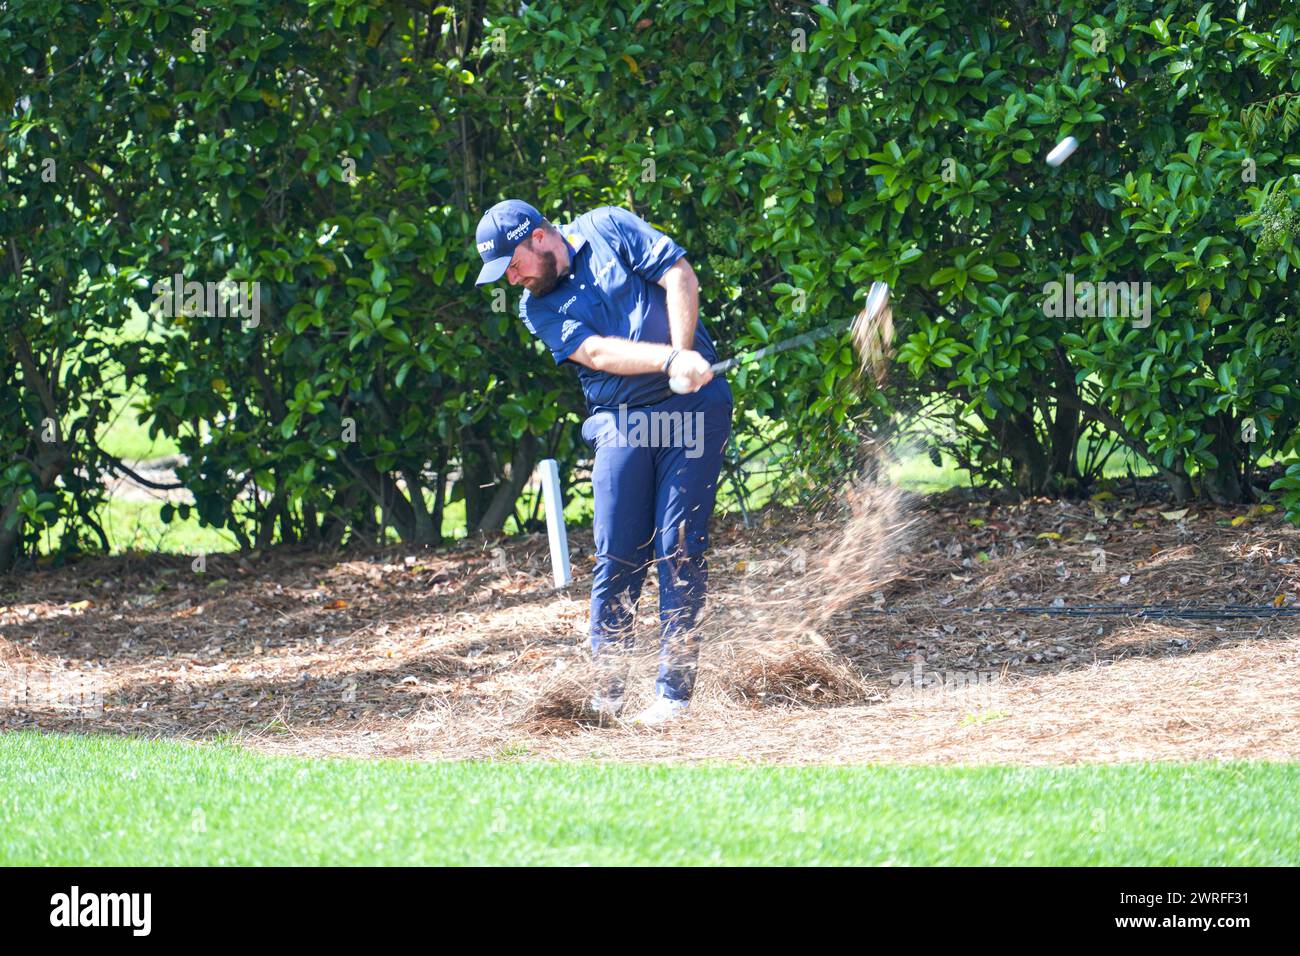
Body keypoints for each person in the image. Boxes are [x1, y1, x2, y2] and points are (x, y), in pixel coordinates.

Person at [473, 199, 733, 725]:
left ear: (539, 237)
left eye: (514, 265)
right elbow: (595, 353)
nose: (513, 279)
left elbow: (678, 273)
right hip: (622, 420)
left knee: (679, 545)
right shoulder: (537, 308)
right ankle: (606, 697)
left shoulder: (609, 226)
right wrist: (670, 359)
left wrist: (684, 352)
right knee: (618, 552)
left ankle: (673, 697)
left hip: (692, 408)